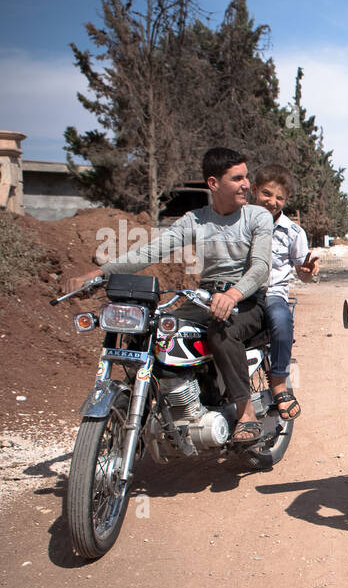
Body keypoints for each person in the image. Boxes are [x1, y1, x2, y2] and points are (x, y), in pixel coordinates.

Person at [61, 147, 273, 444]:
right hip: (206, 297)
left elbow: (261, 267)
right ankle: (155, 406)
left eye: (246, 177)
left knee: (221, 333)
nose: (247, 184)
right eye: (237, 178)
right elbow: (149, 251)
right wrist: (98, 274)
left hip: (248, 299)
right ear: (213, 183)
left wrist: (235, 294)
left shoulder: (257, 216)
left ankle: (246, 412)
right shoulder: (195, 220)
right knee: (154, 329)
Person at [251, 164, 319, 421]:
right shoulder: (239, 222)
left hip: (272, 293)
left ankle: (279, 382)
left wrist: (308, 272)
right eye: (267, 194)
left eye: (279, 197)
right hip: (241, 293)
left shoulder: (293, 232)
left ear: (286, 200)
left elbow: (303, 271)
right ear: (255, 190)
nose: (272, 201)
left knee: (281, 321)